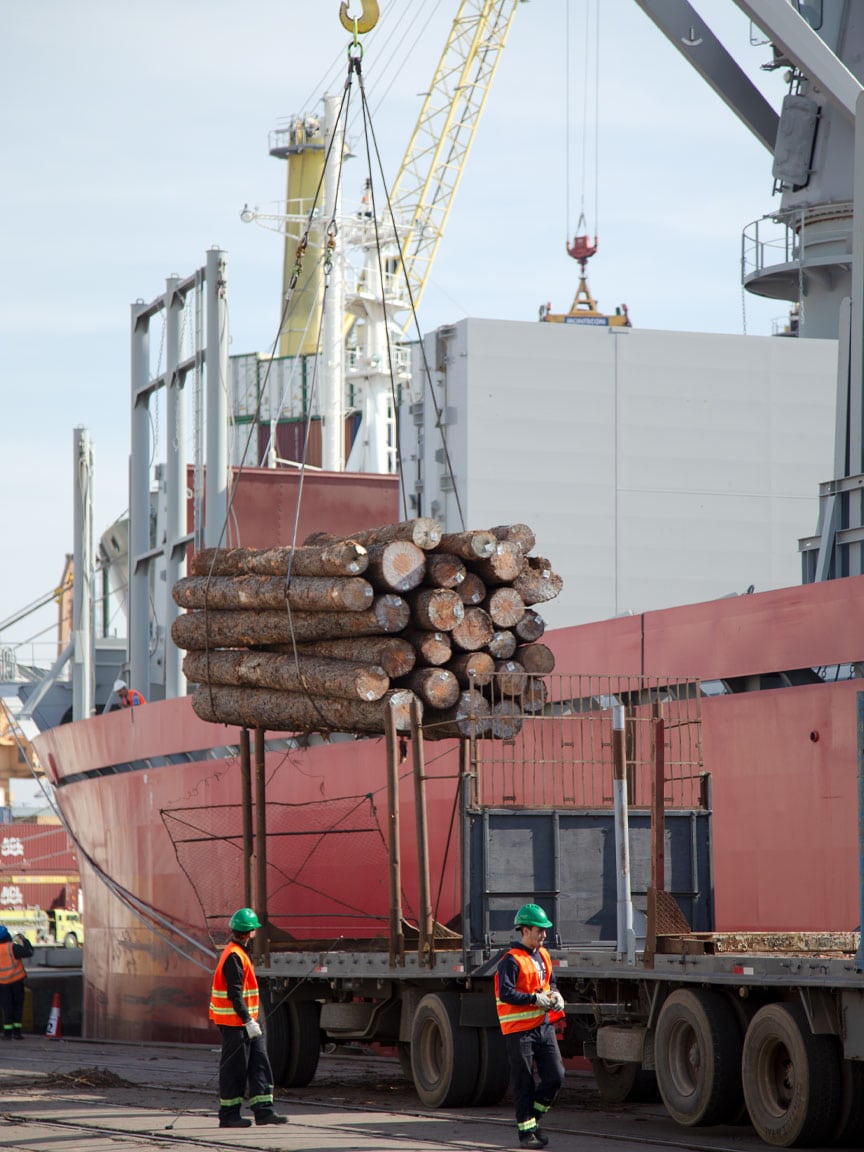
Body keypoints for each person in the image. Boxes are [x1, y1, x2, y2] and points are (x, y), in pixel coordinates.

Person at [495, 903, 566, 1148]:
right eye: (539, 930)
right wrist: (534, 999)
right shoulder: (510, 961)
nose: (544, 935)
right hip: (518, 1031)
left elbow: (551, 983)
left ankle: (532, 1120)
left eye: (545, 930)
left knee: (556, 1076)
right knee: (524, 1081)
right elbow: (505, 993)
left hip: (543, 1027)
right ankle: (526, 1134)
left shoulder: (543, 955)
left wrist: (555, 995)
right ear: (525, 930)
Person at [209, 907, 288, 1129]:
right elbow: (234, 994)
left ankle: (263, 1111)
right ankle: (228, 1115)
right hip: (235, 1024)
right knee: (234, 1069)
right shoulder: (233, 956)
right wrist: (248, 1021)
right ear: (251, 931)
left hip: (245, 1023)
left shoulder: (239, 952)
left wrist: (250, 1022)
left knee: (259, 1063)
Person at [0, 924, 34, 1039]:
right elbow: (29, 952)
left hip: (2, 985)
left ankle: (7, 1033)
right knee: (18, 1006)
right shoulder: (12, 947)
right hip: (16, 982)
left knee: (6, 1008)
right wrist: (24, 940)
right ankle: (17, 1033)